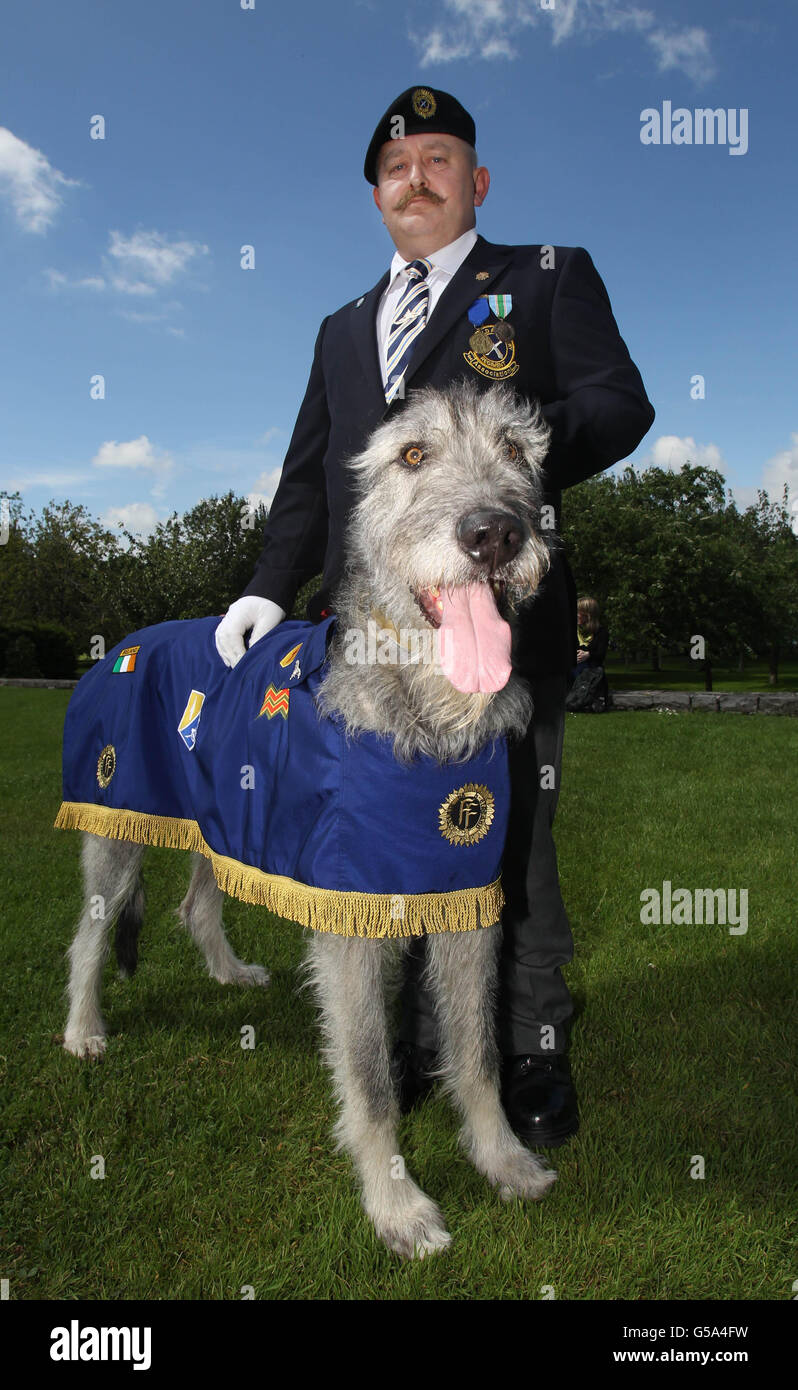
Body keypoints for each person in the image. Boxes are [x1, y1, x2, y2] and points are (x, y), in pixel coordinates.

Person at [215, 86, 655, 1147]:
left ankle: (532, 1052)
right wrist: (267, 587)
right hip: (370, 643)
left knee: (512, 856)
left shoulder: (547, 278)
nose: (418, 178)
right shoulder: (338, 329)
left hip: (498, 631)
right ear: (377, 196)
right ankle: (417, 1043)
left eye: (440, 160)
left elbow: (620, 402)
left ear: (478, 182)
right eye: (397, 168)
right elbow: (313, 475)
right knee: (388, 851)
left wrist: (498, 443)